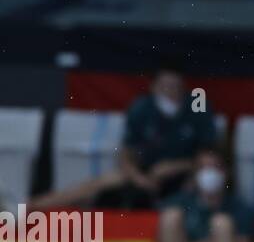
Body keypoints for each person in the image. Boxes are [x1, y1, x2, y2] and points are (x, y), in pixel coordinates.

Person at [31, 63, 218, 211]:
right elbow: (126, 153)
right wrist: (138, 178)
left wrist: (177, 167)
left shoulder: (198, 107)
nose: (170, 92)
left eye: (175, 87)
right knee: (102, 182)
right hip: (145, 173)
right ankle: (32, 206)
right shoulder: (142, 108)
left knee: (203, 181)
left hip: (185, 174)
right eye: (165, 87)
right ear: (153, 87)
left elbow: (209, 156)